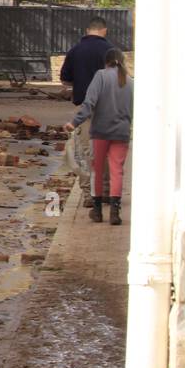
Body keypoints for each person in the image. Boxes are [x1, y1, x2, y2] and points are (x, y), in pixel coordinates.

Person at [65, 49, 133, 225]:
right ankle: (115, 212)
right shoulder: (131, 82)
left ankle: (97, 211)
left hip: (100, 132)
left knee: (96, 169)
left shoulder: (100, 76)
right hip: (122, 133)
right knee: (117, 171)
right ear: (122, 62)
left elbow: (89, 103)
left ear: (106, 62)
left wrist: (75, 122)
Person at [60, 16, 113, 205]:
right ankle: (105, 191)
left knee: (83, 151)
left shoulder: (75, 51)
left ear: (87, 30)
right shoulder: (111, 51)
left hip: (85, 109)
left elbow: (65, 78)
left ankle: (90, 193)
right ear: (104, 30)